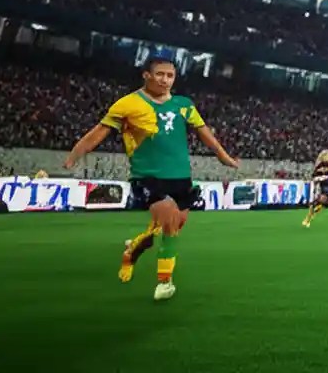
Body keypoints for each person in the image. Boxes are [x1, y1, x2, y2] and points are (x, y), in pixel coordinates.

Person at [62, 57, 239, 301]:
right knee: (168, 221)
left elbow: (203, 131)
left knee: (170, 228)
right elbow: (98, 133)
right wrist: (74, 156)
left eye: (170, 76)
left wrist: (223, 156)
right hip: (147, 176)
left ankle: (133, 249)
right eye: (160, 74)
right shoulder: (128, 104)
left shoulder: (183, 104)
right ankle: (165, 282)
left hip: (180, 177)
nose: (165, 80)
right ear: (146, 75)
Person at [303, 149, 328, 228]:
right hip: (321, 186)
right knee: (317, 201)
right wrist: (319, 178)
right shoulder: (319, 166)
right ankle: (309, 218)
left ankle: (312, 214)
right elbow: (314, 177)